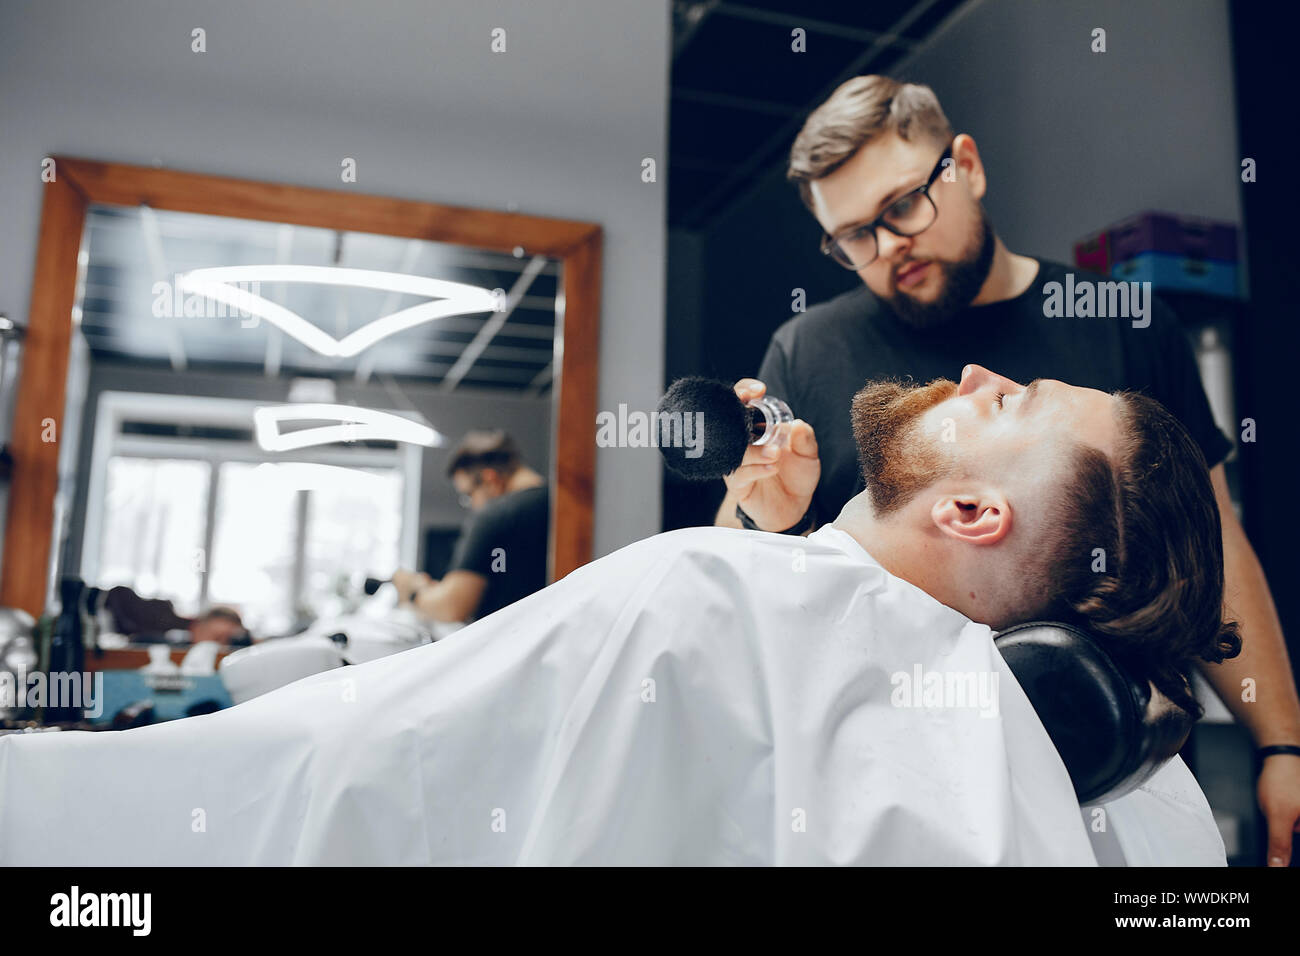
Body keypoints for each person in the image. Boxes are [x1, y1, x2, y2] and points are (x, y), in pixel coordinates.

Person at [0, 371, 1237, 865]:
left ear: (971, 509)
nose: (973, 375)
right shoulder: (982, 716)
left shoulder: (713, 590)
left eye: (1009, 397)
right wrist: (772, 541)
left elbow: (346, 775)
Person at [714, 76, 1300, 865]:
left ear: (966, 166)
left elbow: (1211, 538)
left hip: (1113, 782)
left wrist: (1282, 745)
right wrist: (766, 517)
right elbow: (749, 565)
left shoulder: (1119, 324)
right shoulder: (808, 351)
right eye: (855, 236)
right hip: (901, 799)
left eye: (901, 208)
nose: (888, 249)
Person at [392, 430, 549, 624]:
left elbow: (452, 607)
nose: (472, 505)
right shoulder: (560, 508)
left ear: (490, 478)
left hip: (507, 645)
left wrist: (413, 592)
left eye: (468, 495)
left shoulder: (495, 515)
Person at [102, 586, 248, 646]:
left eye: (224, 640)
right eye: (218, 637)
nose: (216, 645)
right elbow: (119, 593)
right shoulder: (162, 613)